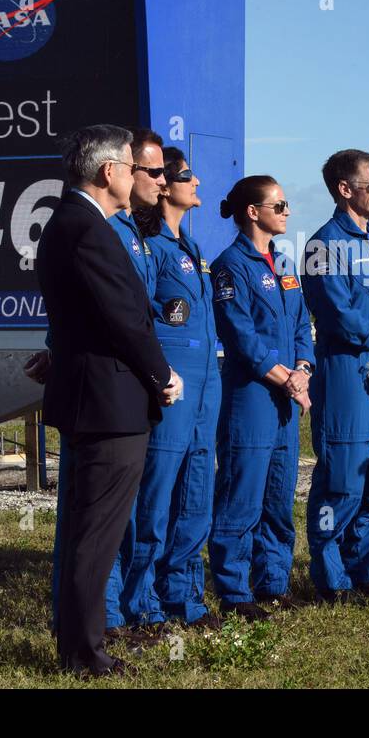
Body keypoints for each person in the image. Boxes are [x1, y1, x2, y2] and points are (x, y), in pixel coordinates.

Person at [36, 124, 181, 676]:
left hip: (94, 398)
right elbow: (124, 316)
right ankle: (84, 653)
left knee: (86, 531)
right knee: (96, 535)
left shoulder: (72, 223)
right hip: (108, 401)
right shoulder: (87, 229)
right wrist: (162, 374)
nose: (141, 174)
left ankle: (78, 644)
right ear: (108, 172)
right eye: (130, 163)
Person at [301, 149, 369, 602]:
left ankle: (363, 570)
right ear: (346, 190)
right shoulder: (322, 247)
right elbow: (337, 317)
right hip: (346, 377)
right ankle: (330, 577)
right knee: (341, 482)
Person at [122, 146, 222, 631]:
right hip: (173, 392)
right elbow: (142, 320)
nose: (196, 181)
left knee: (197, 495)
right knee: (155, 499)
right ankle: (141, 603)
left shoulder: (192, 249)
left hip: (206, 390)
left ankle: (183, 596)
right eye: (186, 175)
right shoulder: (152, 246)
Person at [209, 176, 315, 618]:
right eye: (280, 204)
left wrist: (304, 370)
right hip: (252, 398)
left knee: (278, 495)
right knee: (242, 497)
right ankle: (235, 594)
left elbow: (300, 326)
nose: (288, 211)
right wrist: (286, 378)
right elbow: (241, 337)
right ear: (253, 212)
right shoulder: (230, 266)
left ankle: (273, 583)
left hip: (286, 401)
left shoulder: (284, 265)